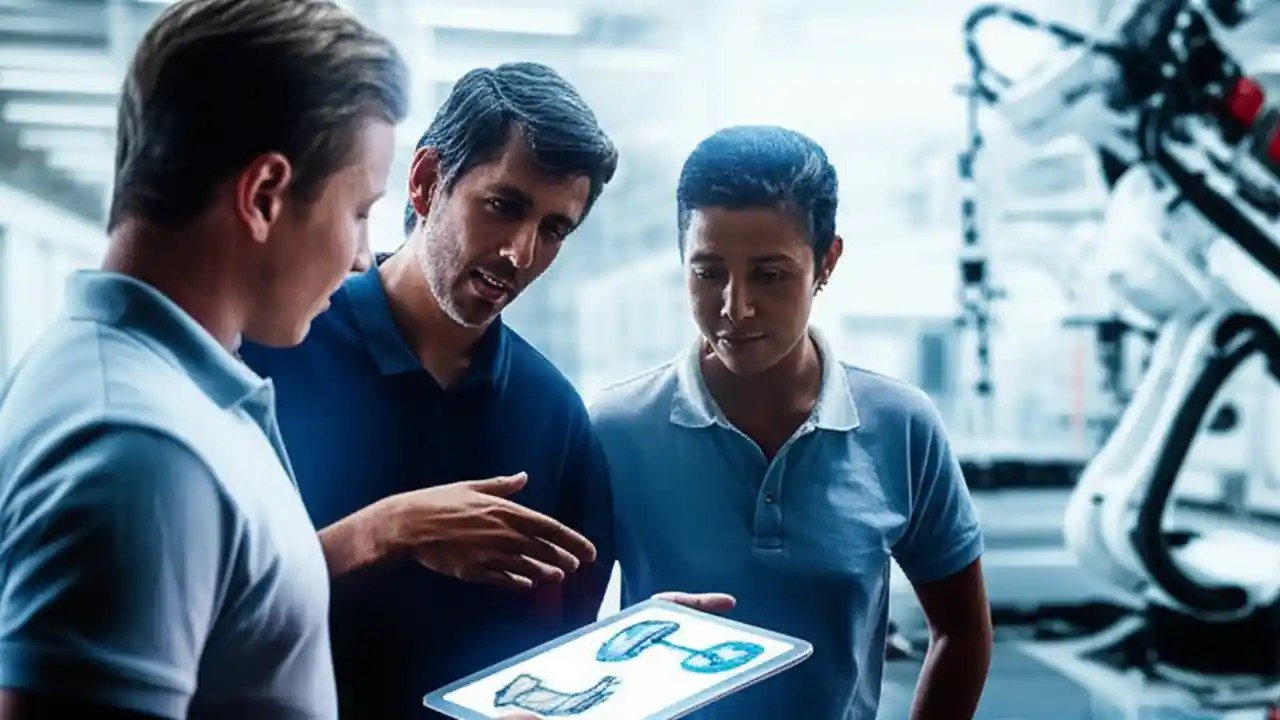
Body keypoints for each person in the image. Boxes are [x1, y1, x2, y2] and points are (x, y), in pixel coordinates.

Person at [238, 61, 729, 719]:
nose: (521, 253)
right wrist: (387, 532)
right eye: (504, 206)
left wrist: (625, 651)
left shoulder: (556, 419)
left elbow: (555, 661)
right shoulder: (271, 355)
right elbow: (193, 608)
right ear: (424, 182)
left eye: (554, 229)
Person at [0, 1, 409, 719]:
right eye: (358, 210)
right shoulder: (140, 449)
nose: (360, 256)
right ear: (263, 196)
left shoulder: (132, 385)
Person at [589, 125, 995, 719]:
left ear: (826, 263)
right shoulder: (614, 430)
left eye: (770, 274)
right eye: (707, 272)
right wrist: (625, 640)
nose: (735, 306)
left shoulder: (902, 427)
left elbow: (962, 631)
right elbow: (555, 647)